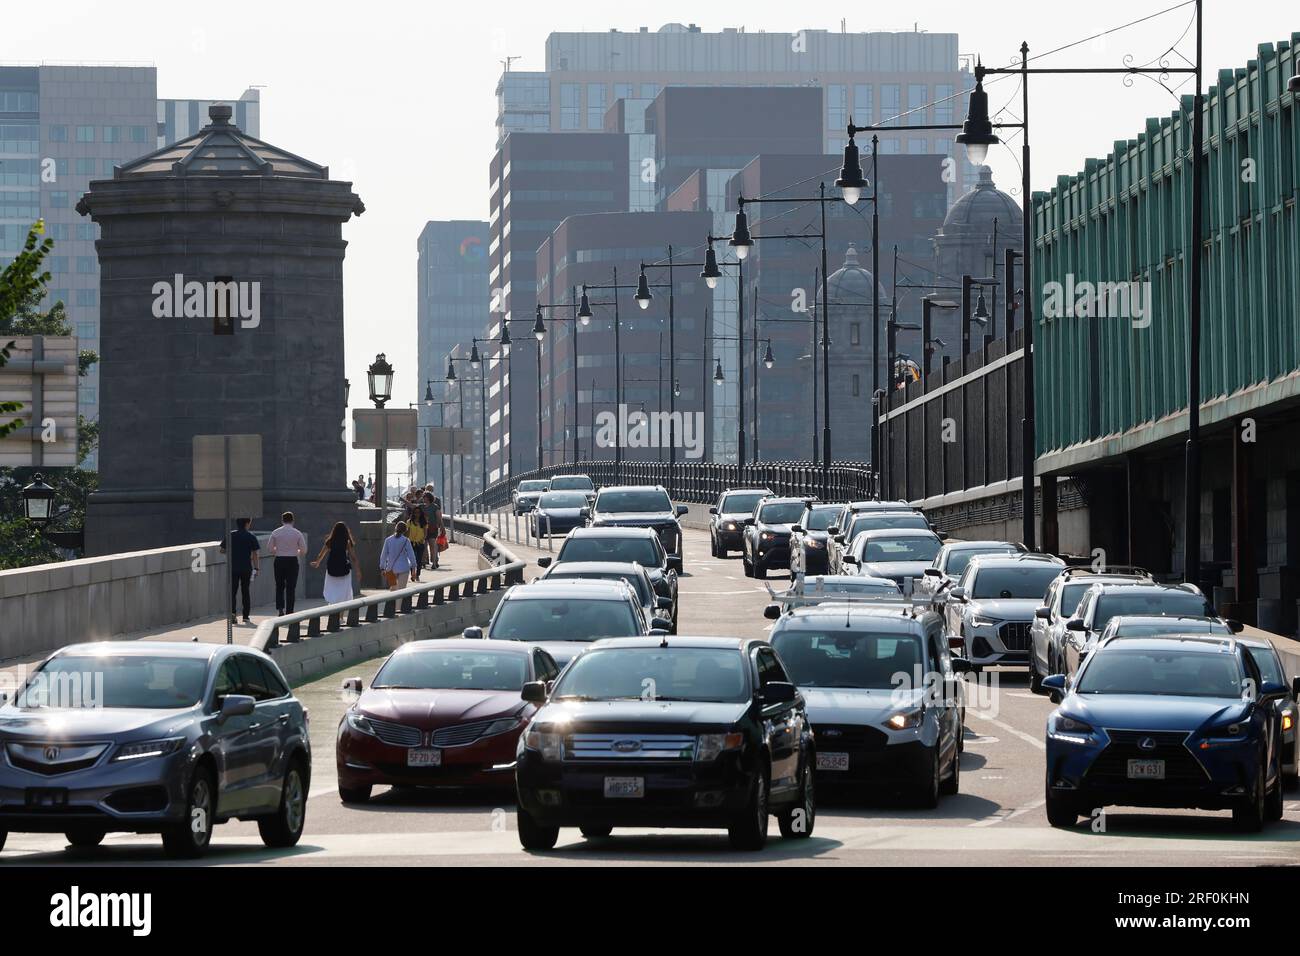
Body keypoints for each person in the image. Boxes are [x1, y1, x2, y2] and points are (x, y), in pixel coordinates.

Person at [311, 521, 360, 604]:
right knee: (344, 591)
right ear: (346, 531)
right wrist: (358, 570)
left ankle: (333, 607)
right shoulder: (347, 542)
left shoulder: (330, 541)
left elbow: (321, 554)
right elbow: (353, 557)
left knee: (332, 590)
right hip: (344, 568)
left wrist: (317, 562)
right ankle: (341, 614)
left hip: (332, 568)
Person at [268, 511, 308, 615]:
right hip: (292, 561)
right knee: (291, 587)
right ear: (293, 520)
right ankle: (290, 610)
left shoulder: (275, 532)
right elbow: (304, 550)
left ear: (282, 520)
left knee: (279, 585)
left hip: (279, 560)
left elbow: (270, 548)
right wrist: (297, 552)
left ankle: (280, 608)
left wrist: (278, 550)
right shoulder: (297, 533)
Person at [223, 517, 261, 624]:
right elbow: (255, 554)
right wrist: (256, 568)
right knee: (245, 592)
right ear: (247, 523)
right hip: (246, 568)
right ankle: (245, 616)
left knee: (232, 592)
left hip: (233, 567)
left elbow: (222, 549)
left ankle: (233, 614)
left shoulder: (231, 535)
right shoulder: (251, 536)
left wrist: (233, 552)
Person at [379, 520, 418, 590]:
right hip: (404, 568)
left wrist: (382, 568)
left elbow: (383, 555)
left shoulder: (388, 540)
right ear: (405, 530)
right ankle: (399, 601)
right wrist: (414, 569)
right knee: (401, 591)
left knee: (393, 590)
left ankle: (393, 601)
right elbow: (411, 555)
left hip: (390, 570)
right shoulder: (406, 540)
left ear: (395, 528)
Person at [422, 488, 445, 569]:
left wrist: (442, 528)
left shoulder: (434, 507)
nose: (423, 498)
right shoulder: (422, 506)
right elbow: (413, 506)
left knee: (432, 546)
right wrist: (404, 501)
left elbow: (439, 518)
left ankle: (434, 563)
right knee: (424, 546)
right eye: (423, 497)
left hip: (432, 528)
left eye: (425, 497)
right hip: (423, 529)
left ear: (428, 498)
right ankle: (424, 562)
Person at [407, 506, 428, 582]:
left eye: (418, 512)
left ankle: (417, 574)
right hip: (411, 543)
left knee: (419, 560)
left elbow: (425, 532)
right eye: (415, 513)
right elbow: (407, 532)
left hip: (420, 543)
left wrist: (422, 539)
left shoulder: (423, 522)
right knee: (412, 559)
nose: (417, 514)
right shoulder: (409, 522)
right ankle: (413, 574)